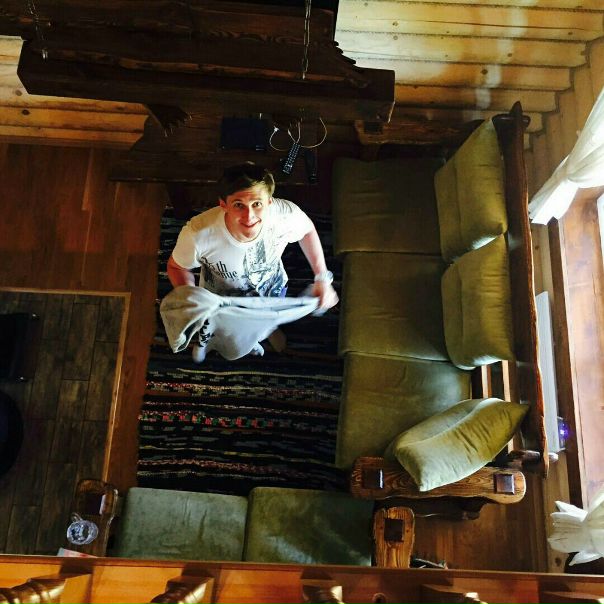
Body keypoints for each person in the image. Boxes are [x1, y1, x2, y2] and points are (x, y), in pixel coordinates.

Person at [167, 163, 338, 354]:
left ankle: (268, 329)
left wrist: (322, 278)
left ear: (269, 202)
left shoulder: (285, 215)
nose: (249, 217)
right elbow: (177, 267)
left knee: (267, 321)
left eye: (257, 204)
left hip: (272, 292)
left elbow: (307, 231)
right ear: (223, 204)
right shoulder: (198, 234)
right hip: (221, 304)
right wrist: (192, 298)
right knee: (229, 338)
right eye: (238, 205)